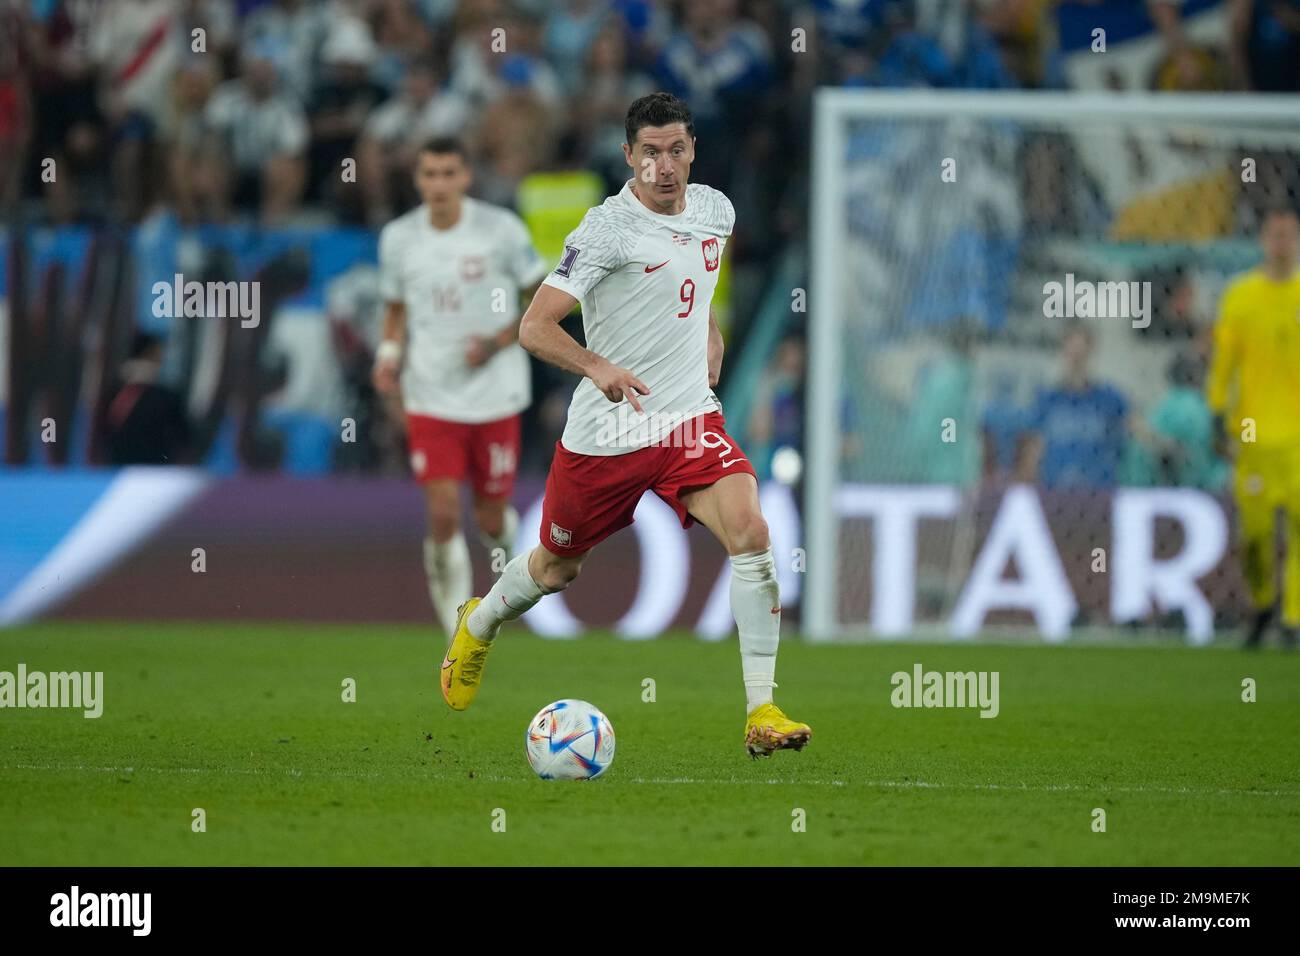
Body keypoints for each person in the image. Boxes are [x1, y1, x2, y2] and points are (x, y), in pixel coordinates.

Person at [439, 93, 811, 758]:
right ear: (628, 156)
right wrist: (594, 366)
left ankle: (763, 709)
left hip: (688, 422)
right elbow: (534, 326)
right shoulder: (605, 230)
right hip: (608, 434)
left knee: (752, 531)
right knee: (557, 570)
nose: (663, 166)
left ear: (692, 150)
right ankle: (481, 621)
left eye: (675, 150)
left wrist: (711, 333)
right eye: (649, 153)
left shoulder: (716, 210)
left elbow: (689, 286)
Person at [372, 137, 547, 639]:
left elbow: (543, 292)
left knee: (490, 518)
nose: (440, 185)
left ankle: (508, 551)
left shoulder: (500, 230)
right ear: (418, 180)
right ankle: (460, 631)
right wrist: (388, 358)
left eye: (449, 173)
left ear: (466, 177)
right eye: (430, 174)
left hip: (495, 394)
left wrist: (496, 341)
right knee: (444, 513)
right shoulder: (399, 238)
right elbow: (395, 307)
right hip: (429, 393)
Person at [1207, 205, 1300, 649]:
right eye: (1275, 236)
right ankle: (1264, 602)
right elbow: (1224, 362)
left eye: (1290, 236)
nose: (1283, 244)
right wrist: (1215, 412)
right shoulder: (1240, 297)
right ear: (1264, 241)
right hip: (1253, 437)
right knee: (1257, 537)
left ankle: (1294, 618)